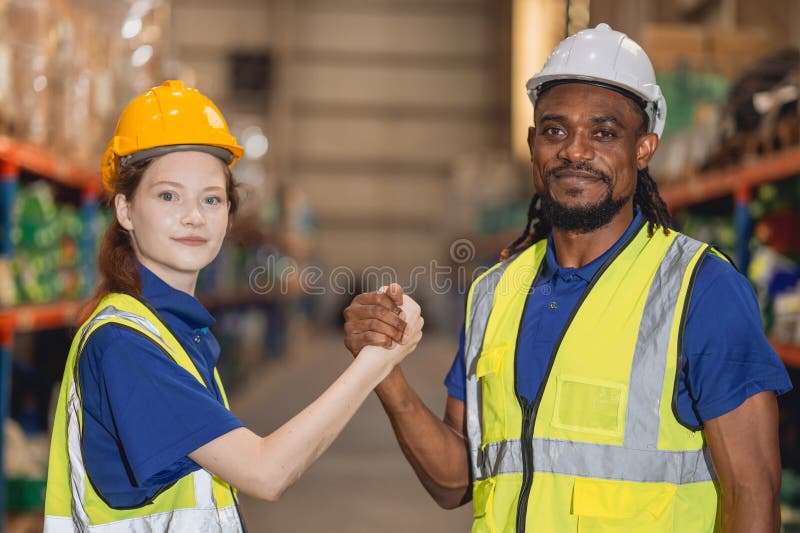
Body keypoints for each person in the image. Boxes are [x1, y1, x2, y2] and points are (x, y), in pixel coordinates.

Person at [343, 24, 792, 532]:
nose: (575, 151)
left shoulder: (701, 289)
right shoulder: (494, 293)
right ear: (534, 143)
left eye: (604, 133)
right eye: (556, 131)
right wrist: (382, 372)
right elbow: (455, 482)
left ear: (643, 149)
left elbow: (753, 493)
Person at [44, 80, 424, 532]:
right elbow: (266, 471)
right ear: (125, 210)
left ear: (228, 217)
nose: (194, 216)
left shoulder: (175, 333)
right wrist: (375, 363)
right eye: (168, 196)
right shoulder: (124, 344)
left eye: (211, 199)